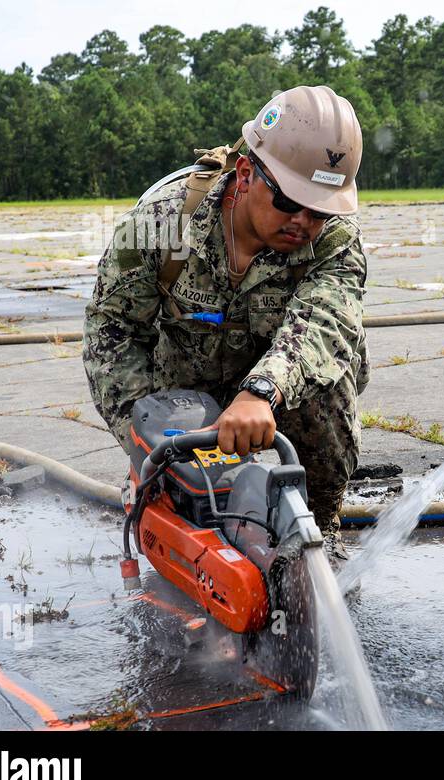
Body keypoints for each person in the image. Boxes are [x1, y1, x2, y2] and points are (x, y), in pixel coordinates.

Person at [84, 86, 369, 561]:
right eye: (289, 202)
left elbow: (326, 323)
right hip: (186, 393)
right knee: (189, 500)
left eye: (319, 210)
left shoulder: (335, 242)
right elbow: (111, 332)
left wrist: (262, 392)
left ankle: (318, 528)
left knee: (328, 383)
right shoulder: (160, 223)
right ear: (245, 173)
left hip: (279, 395)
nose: (303, 221)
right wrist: (144, 440)